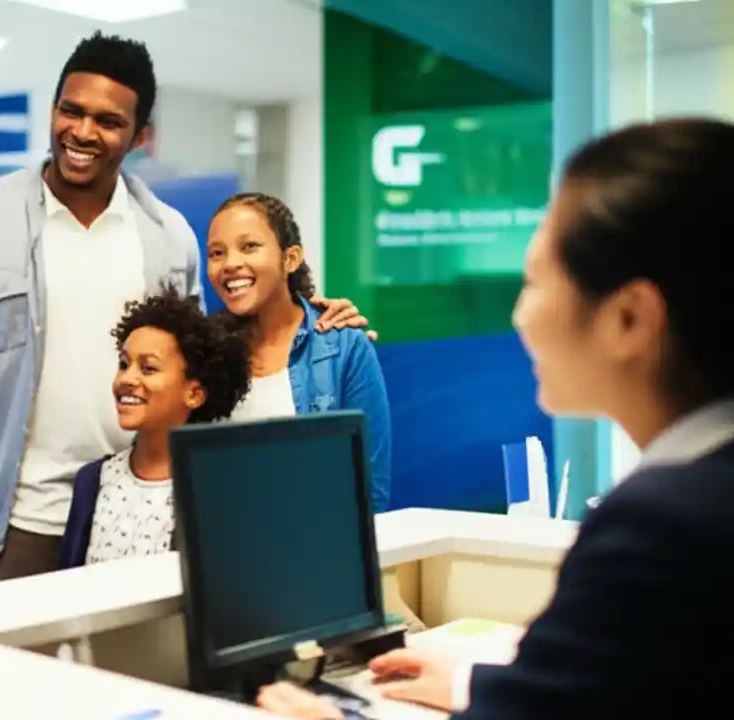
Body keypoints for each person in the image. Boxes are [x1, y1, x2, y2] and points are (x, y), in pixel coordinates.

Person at [257, 118, 734, 719]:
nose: (520, 316)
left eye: (536, 280)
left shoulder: (661, 531)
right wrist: (484, 690)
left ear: (630, 319)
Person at [0, 32, 370, 590]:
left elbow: (197, 368)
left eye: (108, 121)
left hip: (143, 510)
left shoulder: (168, 237)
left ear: (141, 137)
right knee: (26, 673)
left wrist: (311, 316)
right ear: (55, 110)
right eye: (71, 111)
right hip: (26, 518)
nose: (83, 132)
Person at [208, 192, 392, 511]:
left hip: (322, 547)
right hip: (227, 547)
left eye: (249, 246)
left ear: (290, 259)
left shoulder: (343, 348)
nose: (231, 263)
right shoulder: (204, 355)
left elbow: (370, 488)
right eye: (217, 253)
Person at [56, 291, 250, 568]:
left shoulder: (216, 494)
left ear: (194, 394)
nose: (127, 378)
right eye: (124, 364)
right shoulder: (93, 481)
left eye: (148, 368)